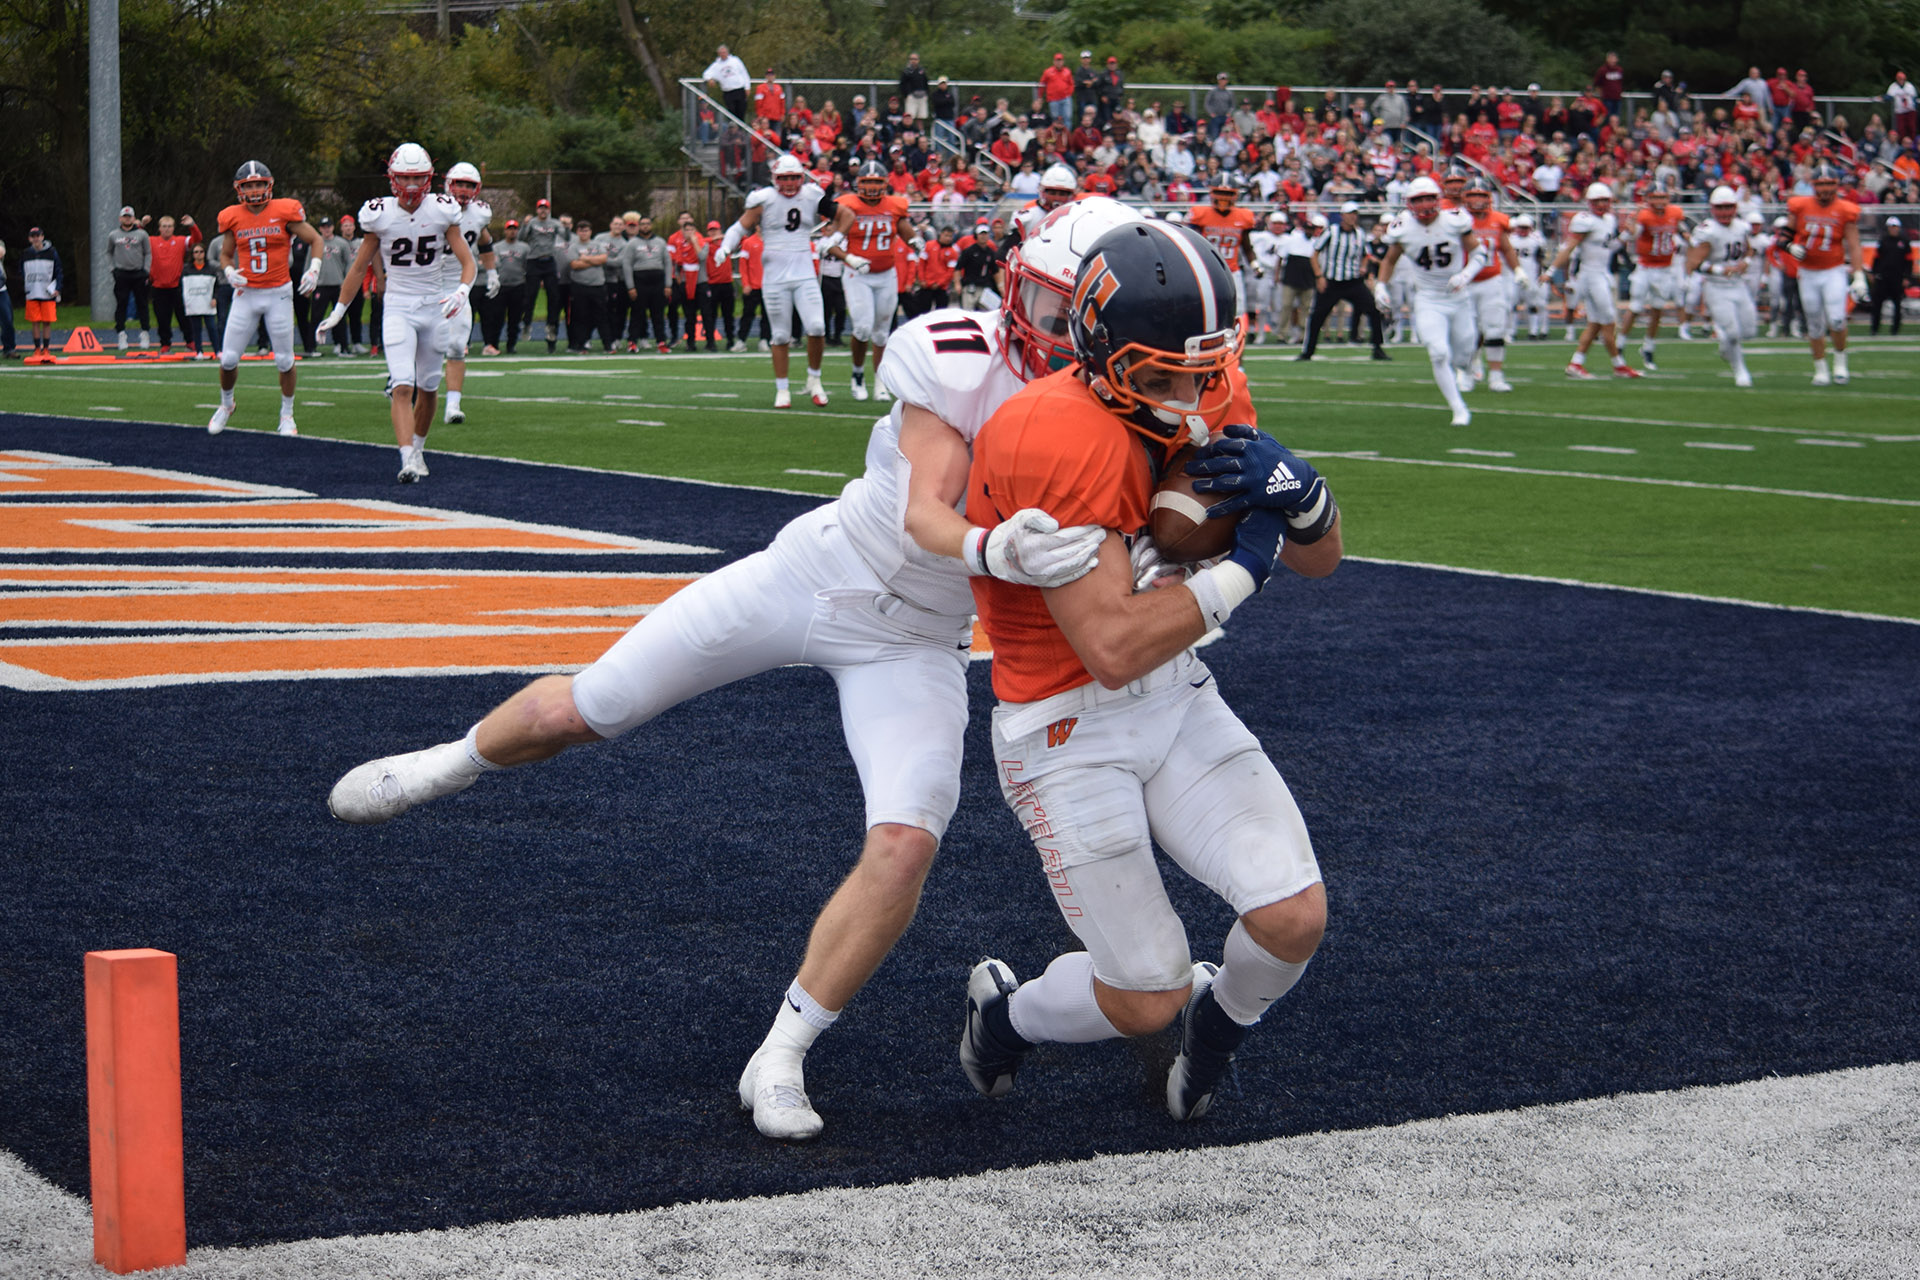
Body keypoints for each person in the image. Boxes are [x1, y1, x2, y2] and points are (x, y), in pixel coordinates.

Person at [323, 203, 1152, 1146]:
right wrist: (995, 546)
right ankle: (448, 762)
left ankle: (783, 1052)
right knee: (596, 705)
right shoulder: (960, 357)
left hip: (920, 641)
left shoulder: (1124, 407)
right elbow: (928, 508)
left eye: (1073, 312)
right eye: (1045, 306)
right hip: (815, 571)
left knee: (907, 842)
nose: (1054, 332)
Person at [957, 218, 1335, 1124]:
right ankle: (1007, 1015)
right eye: (1166, 376)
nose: (1193, 395)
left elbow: (1320, 561)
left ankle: (1220, 1026)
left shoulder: (1207, 379)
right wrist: (1246, 565)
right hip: (1063, 726)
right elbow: (1112, 646)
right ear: (1100, 354)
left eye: (1208, 370)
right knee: (1144, 995)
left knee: (1293, 917)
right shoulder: (1048, 431)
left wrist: (1311, 505)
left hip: (1176, 694)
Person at [315, 143, 476, 481]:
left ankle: (418, 449)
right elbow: (359, 268)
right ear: (392, 178)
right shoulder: (380, 212)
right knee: (403, 385)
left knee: (429, 387)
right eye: (405, 177)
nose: (412, 186)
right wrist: (340, 310)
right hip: (399, 306)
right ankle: (406, 458)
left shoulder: (443, 209)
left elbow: (467, 260)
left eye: (418, 178)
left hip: (435, 306)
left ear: (429, 178)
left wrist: (462, 290)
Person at [205, 161, 324, 436]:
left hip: (278, 293)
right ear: (240, 189)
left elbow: (316, 240)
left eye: (259, 184)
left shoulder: (285, 210)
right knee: (229, 359)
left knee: (284, 360)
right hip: (246, 294)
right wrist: (229, 270)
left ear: (268, 185)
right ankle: (226, 405)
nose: (255, 189)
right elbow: (224, 254)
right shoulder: (232, 216)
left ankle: (286, 414)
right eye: (249, 185)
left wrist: (314, 269)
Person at [718, 153, 831, 407]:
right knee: (779, 335)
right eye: (784, 178)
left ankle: (815, 379)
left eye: (794, 177)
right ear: (775, 179)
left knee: (816, 327)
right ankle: (782, 388)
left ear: (801, 177)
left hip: (804, 272)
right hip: (776, 277)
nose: (790, 183)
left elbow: (839, 213)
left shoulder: (812, 194)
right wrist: (726, 246)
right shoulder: (764, 199)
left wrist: (836, 237)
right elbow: (741, 227)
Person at [1378, 176, 1489, 425]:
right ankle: (1458, 407)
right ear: (1409, 203)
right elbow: (1389, 260)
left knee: (1463, 354)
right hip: (1428, 299)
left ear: (1438, 199)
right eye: (1419, 199)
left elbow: (1479, 253)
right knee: (1438, 353)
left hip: (1459, 297)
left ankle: (1466, 368)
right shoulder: (1402, 227)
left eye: (1429, 198)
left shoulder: (1454, 220)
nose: (1425, 204)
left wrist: (1465, 274)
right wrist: (1380, 286)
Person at [824, 160, 916, 400]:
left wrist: (916, 241)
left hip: (886, 274)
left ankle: (881, 381)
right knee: (862, 328)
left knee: (882, 333)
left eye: (877, 182)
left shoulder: (895, 206)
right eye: (868, 182)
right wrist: (850, 258)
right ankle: (857, 374)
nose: (873, 187)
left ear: (885, 184)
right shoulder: (846, 206)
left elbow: (905, 230)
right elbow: (828, 244)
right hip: (858, 275)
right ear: (858, 183)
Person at [1551, 183, 1642, 382]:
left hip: (1602, 274)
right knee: (1608, 321)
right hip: (1589, 276)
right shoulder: (1584, 220)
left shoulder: (1609, 219)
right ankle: (1618, 365)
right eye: (1597, 201)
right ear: (1589, 203)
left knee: (1596, 324)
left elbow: (1610, 247)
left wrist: (1627, 234)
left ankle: (1576, 363)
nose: (1601, 204)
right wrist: (1551, 270)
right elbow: (1568, 247)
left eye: (1604, 200)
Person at [1788, 162, 1865, 385]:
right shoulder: (1800, 206)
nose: (1824, 189)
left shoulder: (1845, 209)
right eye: (1820, 184)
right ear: (1813, 185)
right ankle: (1820, 368)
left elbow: (1854, 244)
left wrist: (1858, 275)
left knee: (1838, 319)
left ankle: (1840, 362)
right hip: (1808, 272)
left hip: (1833, 270)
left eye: (1829, 184)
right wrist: (1790, 247)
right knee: (1813, 322)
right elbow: (1785, 235)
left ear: (1837, 184)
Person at [440, 163, 499, 422]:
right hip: (425, 283)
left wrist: (493, 272)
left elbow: (484, 240)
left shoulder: (480, 213)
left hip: (458, 284)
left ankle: (453, 405)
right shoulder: (432, 207)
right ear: (448, 184)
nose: (464, 190)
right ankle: (400, 380)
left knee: (456, 345)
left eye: (469, 185)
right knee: (421, 343)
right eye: (459, 184)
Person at [1684, 186, 1760, 387]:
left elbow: (1750, 250)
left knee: (1750, 330)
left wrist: (1746, 263)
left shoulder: (1742, 227)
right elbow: (1693, 262)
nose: (1725, 212)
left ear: (1735, 207)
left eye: (1729, 207)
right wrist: (1719, 270)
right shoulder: (1707, 231)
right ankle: (1740, 370)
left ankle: (1726, 348)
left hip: (1738, 284)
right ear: (1712, 208)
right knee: (1733, 332)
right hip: (1716, 287)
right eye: (1720, 208)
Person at [1299, 201, 1387, 360]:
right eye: (1350, 214)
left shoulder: (1360, 233)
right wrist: (1319, 276)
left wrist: (1363, 267)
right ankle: (1308, 351)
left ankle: (1378, 348)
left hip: (1353, 282)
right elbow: (1315, 254)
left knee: (1373, 311)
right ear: (1342, 216)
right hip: (1332, 281)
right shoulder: (1331, 232)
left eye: (1355, 214)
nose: (1353, 217)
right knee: (1317, 316)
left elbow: (1366, 254)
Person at [1619, 183, 1689, 371]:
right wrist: (1632, 220)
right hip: (1645, 267)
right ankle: (1620, 343)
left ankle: (1648, 346)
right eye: (1656, 197)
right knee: (1635, 307)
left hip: (1666, 268)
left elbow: (1684, 231)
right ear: (1648, 199)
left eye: (1663, 197)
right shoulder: (1644, 215)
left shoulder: (1675, 212)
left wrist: (1693, 241)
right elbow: (1634, 234)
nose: (1660, 202)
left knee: (1658, 308)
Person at [1459, 177, 1516, 390]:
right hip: (1465, 281)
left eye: (1481, 195)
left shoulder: (1499, 219)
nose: (1477, 200)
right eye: (1472, 195)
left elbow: (1507, 248)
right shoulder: (1456, 219)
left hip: (1492, 280)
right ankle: (1465, 372)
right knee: (1467, 332)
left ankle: (1496, 376)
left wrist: (1517, 270)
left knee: (1495, 329)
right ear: (1465, 198)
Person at [1186, 180, 1257, 318]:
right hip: (1207, 270)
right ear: (1212, 193)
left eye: (1227, 193)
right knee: (1204, 306)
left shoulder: (1243, 216)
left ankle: (1235, 338)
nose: (1223, 197)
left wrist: (1255, 265)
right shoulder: (1201, 214)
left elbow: (1247, 247)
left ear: (1235, 195)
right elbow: (1191, 242)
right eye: (1220, 193)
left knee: (1238, 309)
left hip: (1232, 269)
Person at [147, 215, 201, 356]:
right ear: (159, 228)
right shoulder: (151, 241)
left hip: (177, 286)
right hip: (158, 286)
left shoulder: (180, 241)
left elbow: (197, 239)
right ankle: (165, 344)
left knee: (183, 316)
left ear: (173, 228)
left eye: (169, 226)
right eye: (164, 226)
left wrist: (192, 225)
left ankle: (190, 341)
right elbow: (136, 239)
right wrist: (141, 224)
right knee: (162, 318)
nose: (167, 229)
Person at [521, 198, 566, 352]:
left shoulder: (554, 223)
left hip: (549, 261)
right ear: (536, 209)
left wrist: (564, 225)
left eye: (545, 208)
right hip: (534, 261)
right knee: (530, 296)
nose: (543, 211)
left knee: (554, 296)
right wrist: (525, 224)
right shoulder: (532, 223)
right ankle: (527, 323)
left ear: (549, 210)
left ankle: (551, 327)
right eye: (540, 208)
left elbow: (565, 237)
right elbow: (521, 238)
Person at [107, 206, 153, 353]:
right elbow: (108, 252)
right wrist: (112, 269)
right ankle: (121, 334)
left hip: (139, 273)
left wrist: (146, 269)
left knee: (142, 304)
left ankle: (145, 333)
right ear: (120, 218)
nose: (127, 219)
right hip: (121, 274)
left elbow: (148, 252)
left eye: (129, 217)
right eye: (124, 216)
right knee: (122, 304)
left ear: (133, 218)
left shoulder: (142, 234)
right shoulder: (114, 235)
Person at [561, 219, 611, 353]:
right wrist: (594, 261)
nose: (584, 233)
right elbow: (574, 265)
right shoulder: (573, 247)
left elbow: (603, 259)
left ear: (590, 231)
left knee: (602, 316)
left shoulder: (597, 244)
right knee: (580, 316)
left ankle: (607, 345)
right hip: (580, 286)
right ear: (577, 232)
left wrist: (586, 258)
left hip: (598, 286)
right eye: (581, 231)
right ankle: (581, 345)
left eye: (586, 230)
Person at [20, 227, 63, 361]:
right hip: (32, 291)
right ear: (29, 239)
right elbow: (21, 270)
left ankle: (46, 348)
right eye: (33, 236)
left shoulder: (51, 252)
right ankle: (37, 348)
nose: (36, 239)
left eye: (38, 236)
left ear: (42, 237)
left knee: (47, 322)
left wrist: (58, 288)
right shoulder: (26, 253)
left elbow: (58, 270)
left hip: (47, 291)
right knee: (35, 321)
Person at [666, 212, 707, 351]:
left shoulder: (698, 237)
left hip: (696, 279)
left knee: (701, 310)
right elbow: (671, 257)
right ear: (679, 222)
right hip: (678, 279)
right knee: (673, 307)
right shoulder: (674, 238)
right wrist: (676, 273)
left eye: (688, 219)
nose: (685, 221)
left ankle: (707, 341)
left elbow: (702, 254)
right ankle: (674, 336)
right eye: (683, 219)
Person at [700, 220, 741, 352]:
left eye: (716, 230)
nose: (713, 232)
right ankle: (710, 342)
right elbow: (698, 240)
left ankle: (730, 340)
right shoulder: (706, 243)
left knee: (728, 315)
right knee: (710, 315)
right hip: (712, 284)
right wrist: (715, 237)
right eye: (711, 230)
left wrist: (723, 238)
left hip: (726, 283)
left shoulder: (726, 244)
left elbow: (741, 238)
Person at [1866, 216, 1911, 334]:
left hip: (1897, 277)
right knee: (1877, 304)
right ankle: (1874, 329)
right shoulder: (1883, 241)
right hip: (1883, 277)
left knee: (1897, 305)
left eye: (1895, 227)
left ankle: (1895, 330)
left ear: (1898, 228)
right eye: (1891, 227)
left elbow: (1909, 262)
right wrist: (1873, 273)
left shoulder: (1904, 242)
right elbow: (1876, 259)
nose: (1893, 229)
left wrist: (1906, 277)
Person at [1509, 212, 1550, 339]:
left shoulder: (1536, 240)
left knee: (1532, 304)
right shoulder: (1511, 239)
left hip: (1530, 275)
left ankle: (1533, 330)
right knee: (1513, 304)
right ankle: (1511, 330)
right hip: (1514, 275)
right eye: (1521, 227)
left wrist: (1539, 274)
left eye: (1525, 227)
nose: (1522, 230)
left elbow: (1541, 258)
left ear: (1531, 228)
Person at [180, 242, 218, 359]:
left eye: (201, 251)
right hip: (194, 303)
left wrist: (215, 298)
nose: (199, 254)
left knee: (212, 327)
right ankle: (199, 351)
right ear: (192, 254)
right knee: (196, 329)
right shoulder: (187, 269)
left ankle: (217, 351)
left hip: (208, 303)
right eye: (196, 252)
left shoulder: (211, 268)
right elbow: (183, 286)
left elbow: (216, 285)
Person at [703, 44, 751, 120]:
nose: (723, 54)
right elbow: (706, 74)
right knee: (731, 114)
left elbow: (744, 73)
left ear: (727, 52)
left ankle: (741, 131)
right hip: (728, 92)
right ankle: (734, 131)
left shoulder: (735, 60)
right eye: (721, 52)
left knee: (741, 113)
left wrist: (747, 87)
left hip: (739, 90)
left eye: (724, 52)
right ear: (718, 54)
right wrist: (709, 79)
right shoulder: (716, 65)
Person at [1040, 53, 1075, 129]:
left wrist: (1068, 93)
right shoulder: (1048, 72)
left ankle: (1067, 136)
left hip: (1065, 98)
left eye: (1060, 60)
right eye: (1057, 60)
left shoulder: (1067, 71)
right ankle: (1056, 136)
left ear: (1063, 61)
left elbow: (1071, 84)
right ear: (1054, 61)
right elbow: (1042, 84)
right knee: (1055, 118)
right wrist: (1040, 97)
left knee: (1067, 118)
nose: (1059, 62)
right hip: (1053, 99)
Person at [900, 51, 929, 124]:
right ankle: (911, 131)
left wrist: (926, 94)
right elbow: (902, 84)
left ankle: (921, 133)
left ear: (918, 60)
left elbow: (926, 83)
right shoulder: (906, 71)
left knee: (921, 116)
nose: (913, 60)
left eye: (915, 59)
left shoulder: (921, 71)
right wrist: (906, 95)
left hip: (922, 96)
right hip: (911, 96)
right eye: (912, 59)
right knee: (910, 116)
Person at [1890, 72, 1918, 143]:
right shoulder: (1893, 86)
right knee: (1901, 129)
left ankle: (1913, 144)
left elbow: (1914, 97)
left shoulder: (1909, 86)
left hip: (1910, 110)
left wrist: (1914, 106)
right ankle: (1902, 144)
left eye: (1903, 79)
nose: (1901, 81)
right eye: (1900, 79)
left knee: (1912, 128)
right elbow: (1889, 96)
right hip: (1900, 111)